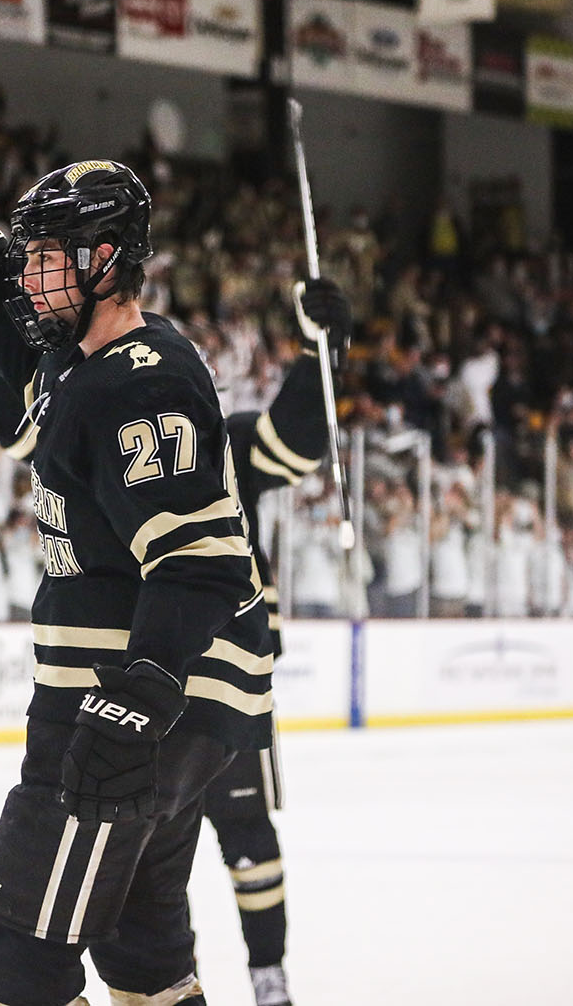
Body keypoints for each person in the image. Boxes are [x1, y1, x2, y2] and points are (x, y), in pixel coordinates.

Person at [0, 159, 274, 1006]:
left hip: (130, 707)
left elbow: (198, 558)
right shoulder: (85, 366)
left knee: (23, 950)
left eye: (45, 259)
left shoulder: (142, 381)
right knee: (142, 951)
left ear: (104, 260)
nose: (29, 277)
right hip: (162, 710)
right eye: (24, 258)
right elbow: (14, 345)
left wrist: (141, 691)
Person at [198, 276, 350, 1006]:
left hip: (230, 680)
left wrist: (320, 357)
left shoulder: (222, 447)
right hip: (138, 677)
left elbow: (291, 443)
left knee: (247, 833)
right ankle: (161, 979)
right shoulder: (106, 431)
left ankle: (268, 974)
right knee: (137, 852)